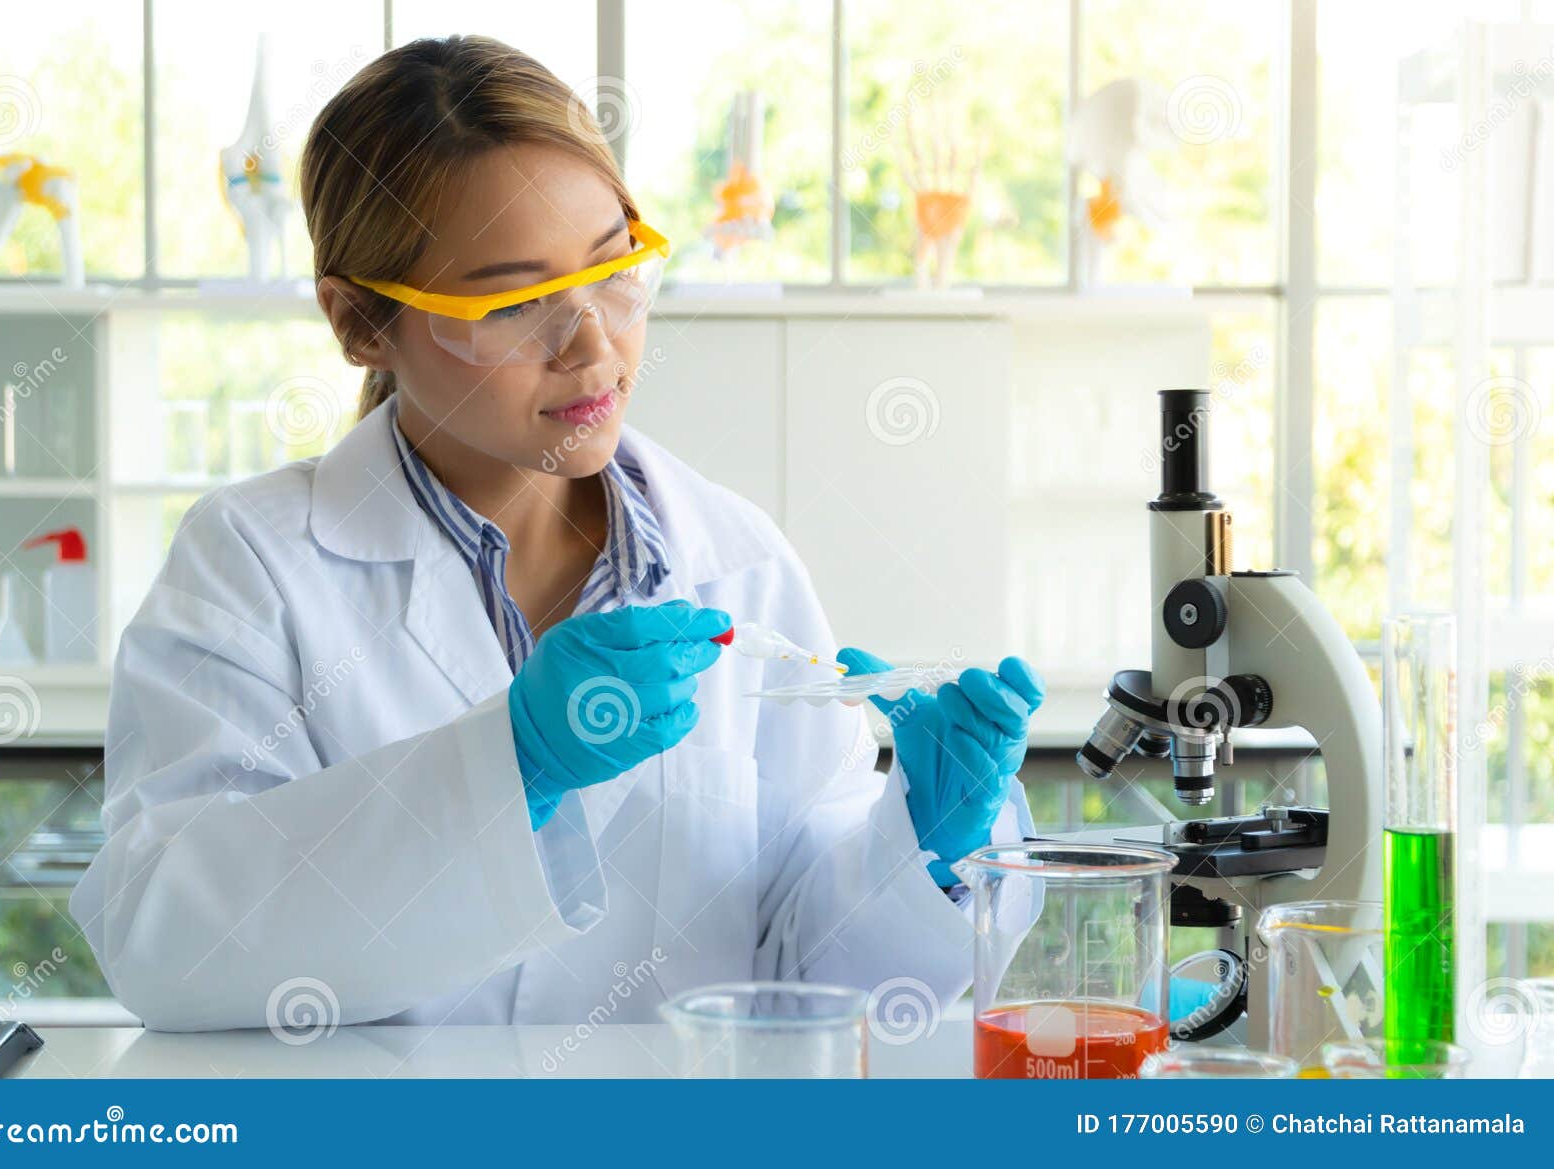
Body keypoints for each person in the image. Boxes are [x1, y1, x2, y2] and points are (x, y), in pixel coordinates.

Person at [68, 35, 1043, 1031]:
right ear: (361, 322)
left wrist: (918, 847)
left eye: (614, 267)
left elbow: (798, 978)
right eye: (513, 299)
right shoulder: (253, 563)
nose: (592, 341)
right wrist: (506, 767)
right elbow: (166, 941)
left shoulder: (736, 561)